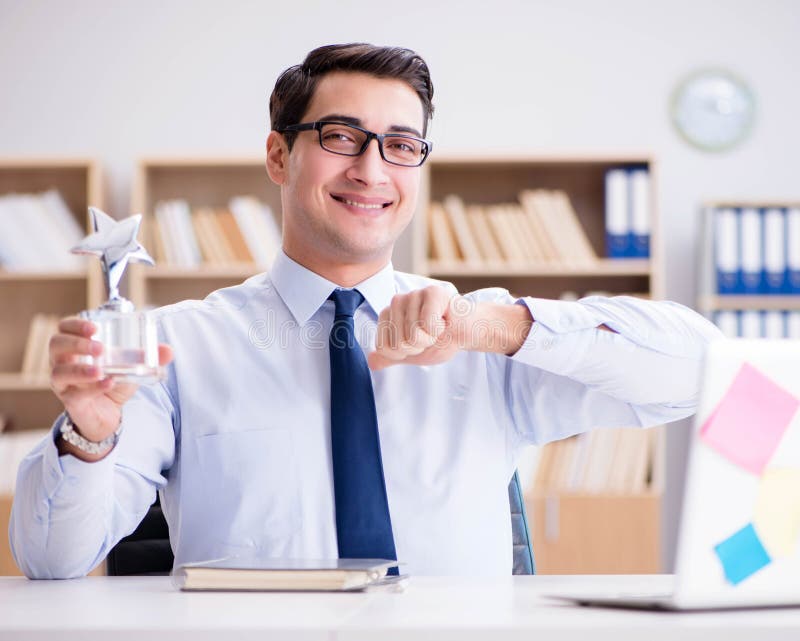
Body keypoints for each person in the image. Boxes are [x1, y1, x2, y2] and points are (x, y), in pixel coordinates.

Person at [10, 43, 721, 579]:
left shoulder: (485, 338)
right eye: (341, 136)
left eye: (401, 145)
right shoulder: (178, 345)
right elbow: (50, 563)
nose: (372, 170)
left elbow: (701, 373)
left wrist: (493, 327)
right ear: (279, 155)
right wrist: (88, 436)